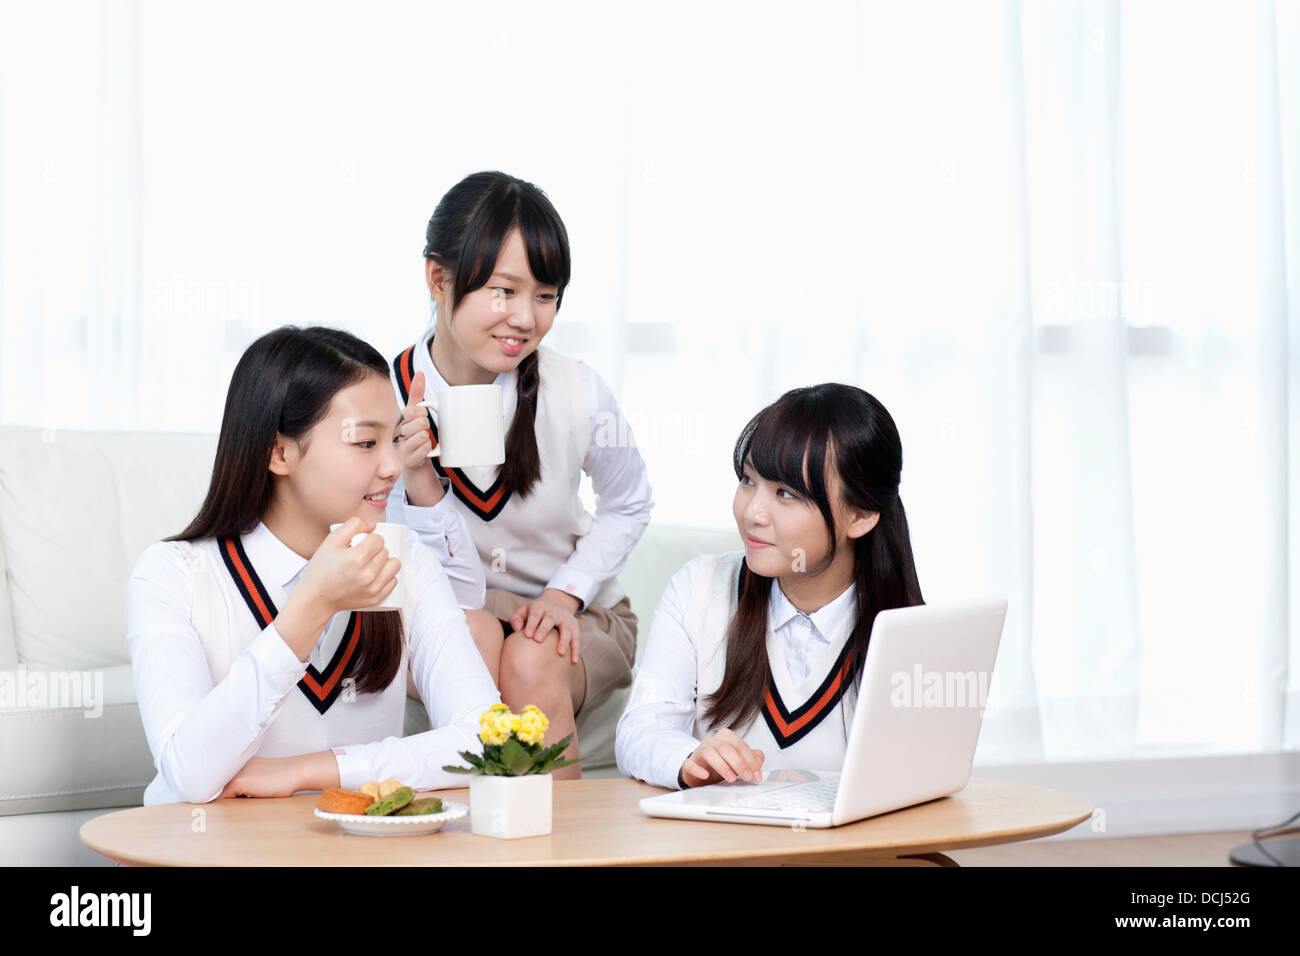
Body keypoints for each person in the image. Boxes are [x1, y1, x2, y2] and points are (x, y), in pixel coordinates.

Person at [126, 326, 501, 805]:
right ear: (279, 452)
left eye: (394, 439)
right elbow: (188, 777)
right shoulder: (172, 574)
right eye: (366, 443)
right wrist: (312, 606)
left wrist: (309, 772)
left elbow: (489, 743)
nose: (391, 466)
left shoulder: (406, 563)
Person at [386, 170, 653, 779]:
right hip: (437, 609)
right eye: (504, 291)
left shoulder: (575, 389)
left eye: (545, 295)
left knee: (531, 659)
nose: (526, 320)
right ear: (439, 278)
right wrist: (412, 479)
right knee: (470, 639)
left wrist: (566, 591)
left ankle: (560, 852)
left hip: (578, 613)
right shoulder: (377, 394)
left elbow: (629, 503)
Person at [615, 383, 924, 790]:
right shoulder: (698, 588)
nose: (752, 512)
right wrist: (688, 758)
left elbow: (921, 780)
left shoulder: (908, 632)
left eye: (785, 493)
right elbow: (640, 731)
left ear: (860, 516)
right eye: (747, 480)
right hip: (725, 850)